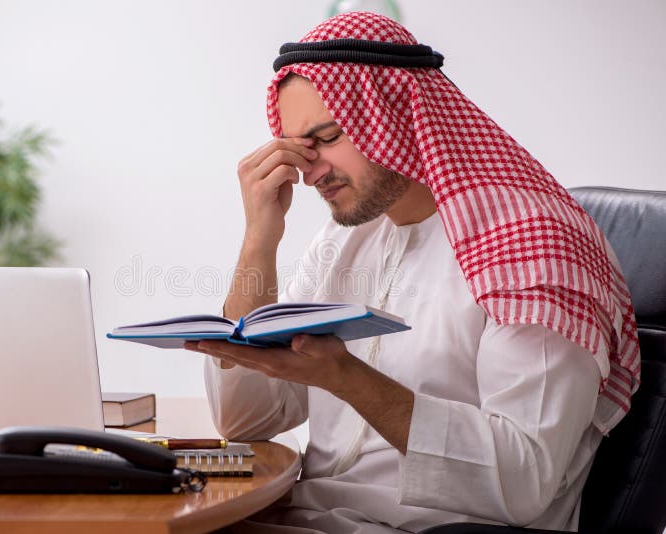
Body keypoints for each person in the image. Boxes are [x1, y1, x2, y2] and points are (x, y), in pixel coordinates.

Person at [184, 11, 640, 533]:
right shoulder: (345, 240)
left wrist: (345, 378)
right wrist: (259, 241)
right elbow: (250, 421)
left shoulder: (532, 246)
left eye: (327, 137)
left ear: (397, 115)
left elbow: (525, 479)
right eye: (298, 149)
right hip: (306, 516)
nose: (309, 173)